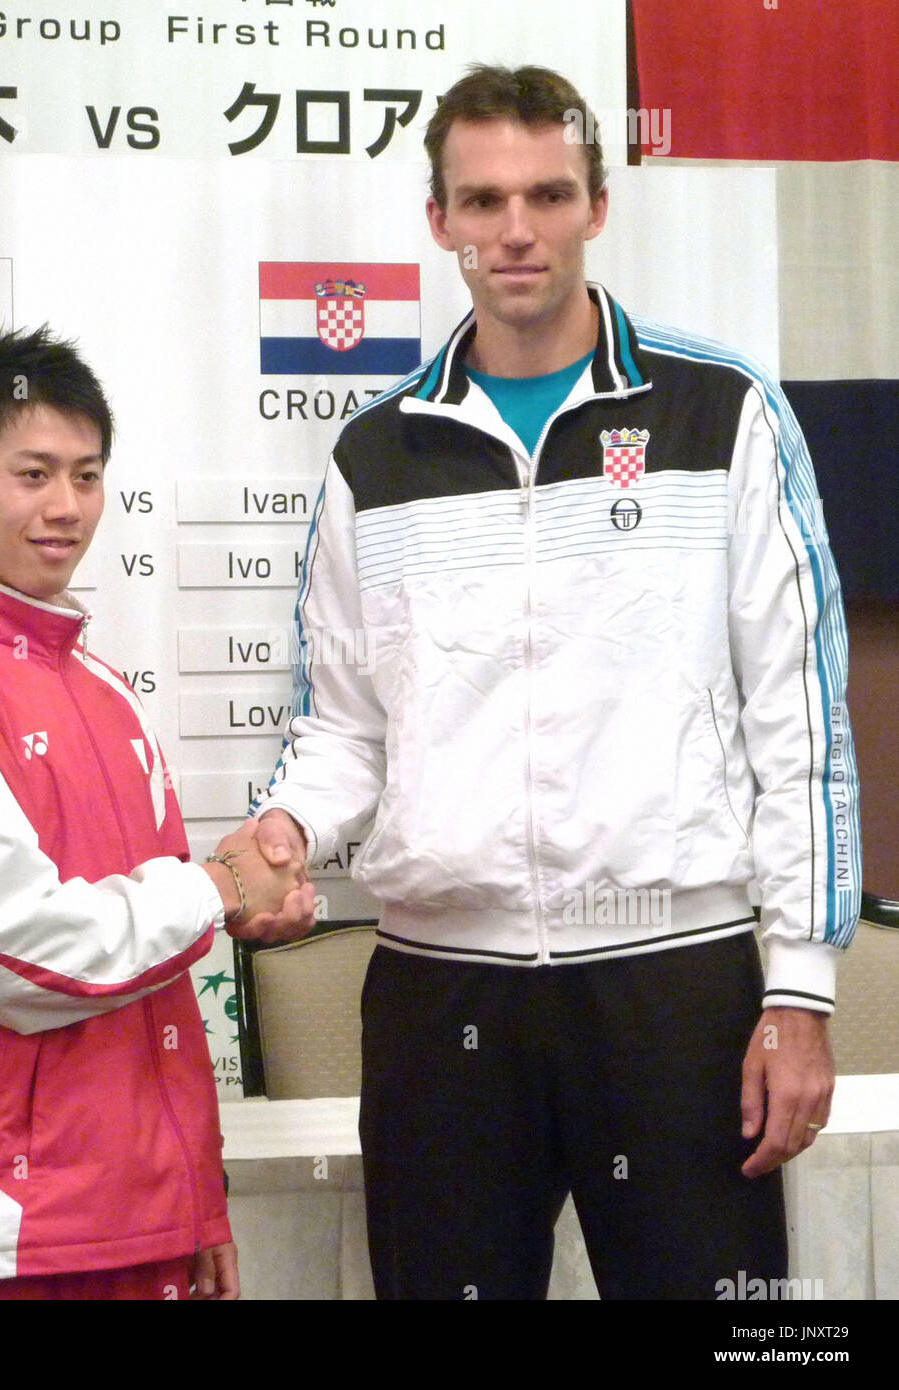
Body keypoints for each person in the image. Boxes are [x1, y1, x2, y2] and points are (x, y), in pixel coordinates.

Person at [249, 64, 861, 1299]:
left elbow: (797, 717)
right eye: (481, 202)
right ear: (438, 221)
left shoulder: (719, 412)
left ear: (595, 204)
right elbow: (345, 728)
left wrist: (797, 989)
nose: (513, 230)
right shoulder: (373, 454)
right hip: (438, 997)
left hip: (672, 985)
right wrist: (286, 826)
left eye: (544, 194)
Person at [0, 326, 313, 1300]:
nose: (65, 507)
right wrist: (214, 889)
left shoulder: (105, 689)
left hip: (134, 1221)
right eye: (33, 473)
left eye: (86, 476)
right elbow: (20, 949)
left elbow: (149, 972)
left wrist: (192, 1197)